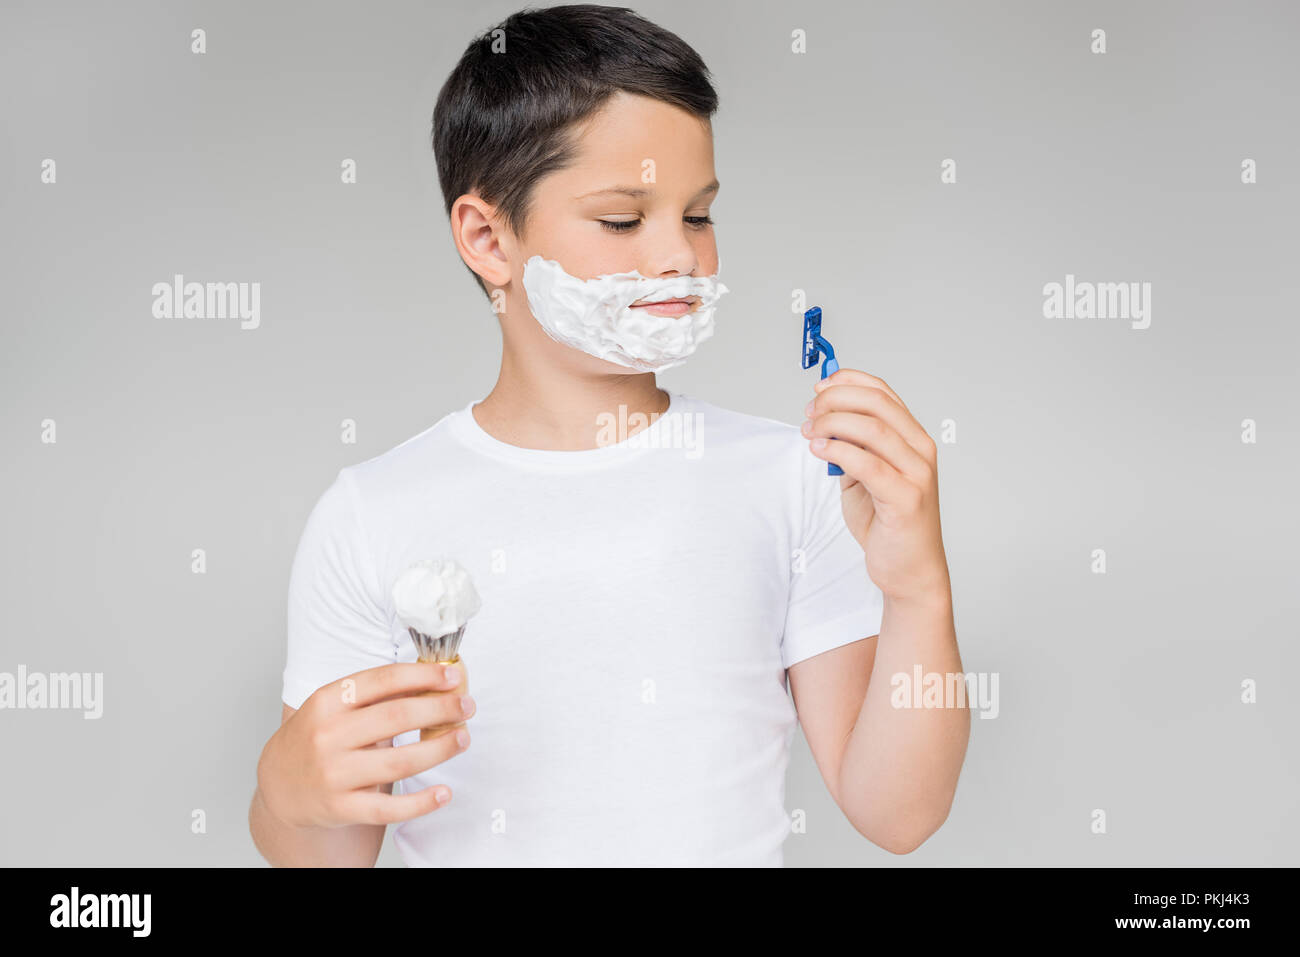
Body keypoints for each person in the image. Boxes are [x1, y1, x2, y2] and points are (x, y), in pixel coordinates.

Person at [250, 3, 968, 867]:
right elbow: (327, 858)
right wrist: (287, 794)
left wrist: (919, 588)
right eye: (624, 220)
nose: (679, 257)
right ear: (487, 237)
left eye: (697, 215)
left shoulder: (791, 479)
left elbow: (900, 813)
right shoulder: (372, 513)